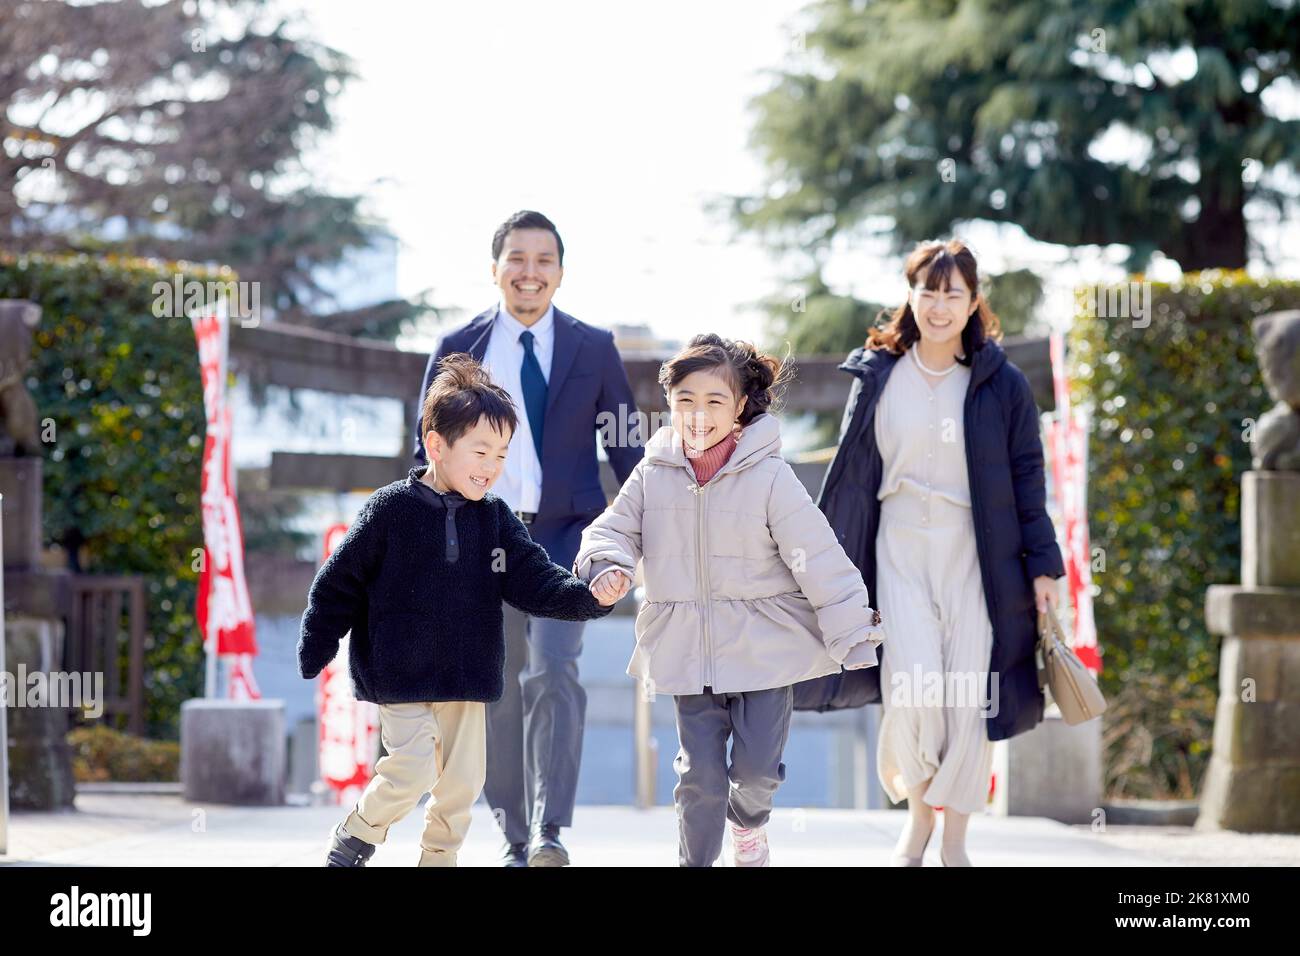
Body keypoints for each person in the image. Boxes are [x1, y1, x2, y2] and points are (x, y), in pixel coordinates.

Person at [300, 354, 628, 867]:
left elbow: (534, 578)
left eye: (502, 454)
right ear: (436, 445)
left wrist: (589, 597)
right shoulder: (390, 510)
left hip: (466, 675)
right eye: (480, 451)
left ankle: (438, 860)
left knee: (461, 785)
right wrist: (318, 643)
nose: (492, 467)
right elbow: (340, 581)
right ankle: (356, 835)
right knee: (410, 766)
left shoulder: (495, 519)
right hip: (400, 674)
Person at [574, 333, 884, 866]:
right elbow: (611, 532)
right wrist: (609, 567)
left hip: (765, 652)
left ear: (740, 406)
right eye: (685, 402)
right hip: (686, 653)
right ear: (669, 406)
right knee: (700, 778)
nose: (698, 415)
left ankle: (750, 824)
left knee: (757, 772)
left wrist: (852, 626)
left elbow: (819, 554)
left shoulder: (769, 477)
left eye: (714, 401)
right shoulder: (652, 474)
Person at [816, 238, 1065, 866]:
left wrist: (1044, 567)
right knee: (913, 686)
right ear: (911, 295)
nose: (939, 304)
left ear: (974, 301)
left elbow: (1028, 479)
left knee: (965, 691)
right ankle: (921, 819)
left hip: (979, 555)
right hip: (896, 547)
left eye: (953, 292)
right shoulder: (877, 375)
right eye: (929, 290)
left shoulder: (999, 383)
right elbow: (847, 475)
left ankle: (954, 840)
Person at [412, 210, 643, 866]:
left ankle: (550, 829)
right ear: (495, 270)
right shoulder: (459, 346)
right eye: (518, 258)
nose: (530, 272)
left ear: (561, 273)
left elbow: (627, 446)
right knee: (499, 685)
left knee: (554, 668)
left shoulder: (593, 348)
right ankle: (514, 833)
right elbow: (425, 448)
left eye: (545, 260)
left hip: (567, 536)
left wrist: (659, 524)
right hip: (484, 536)